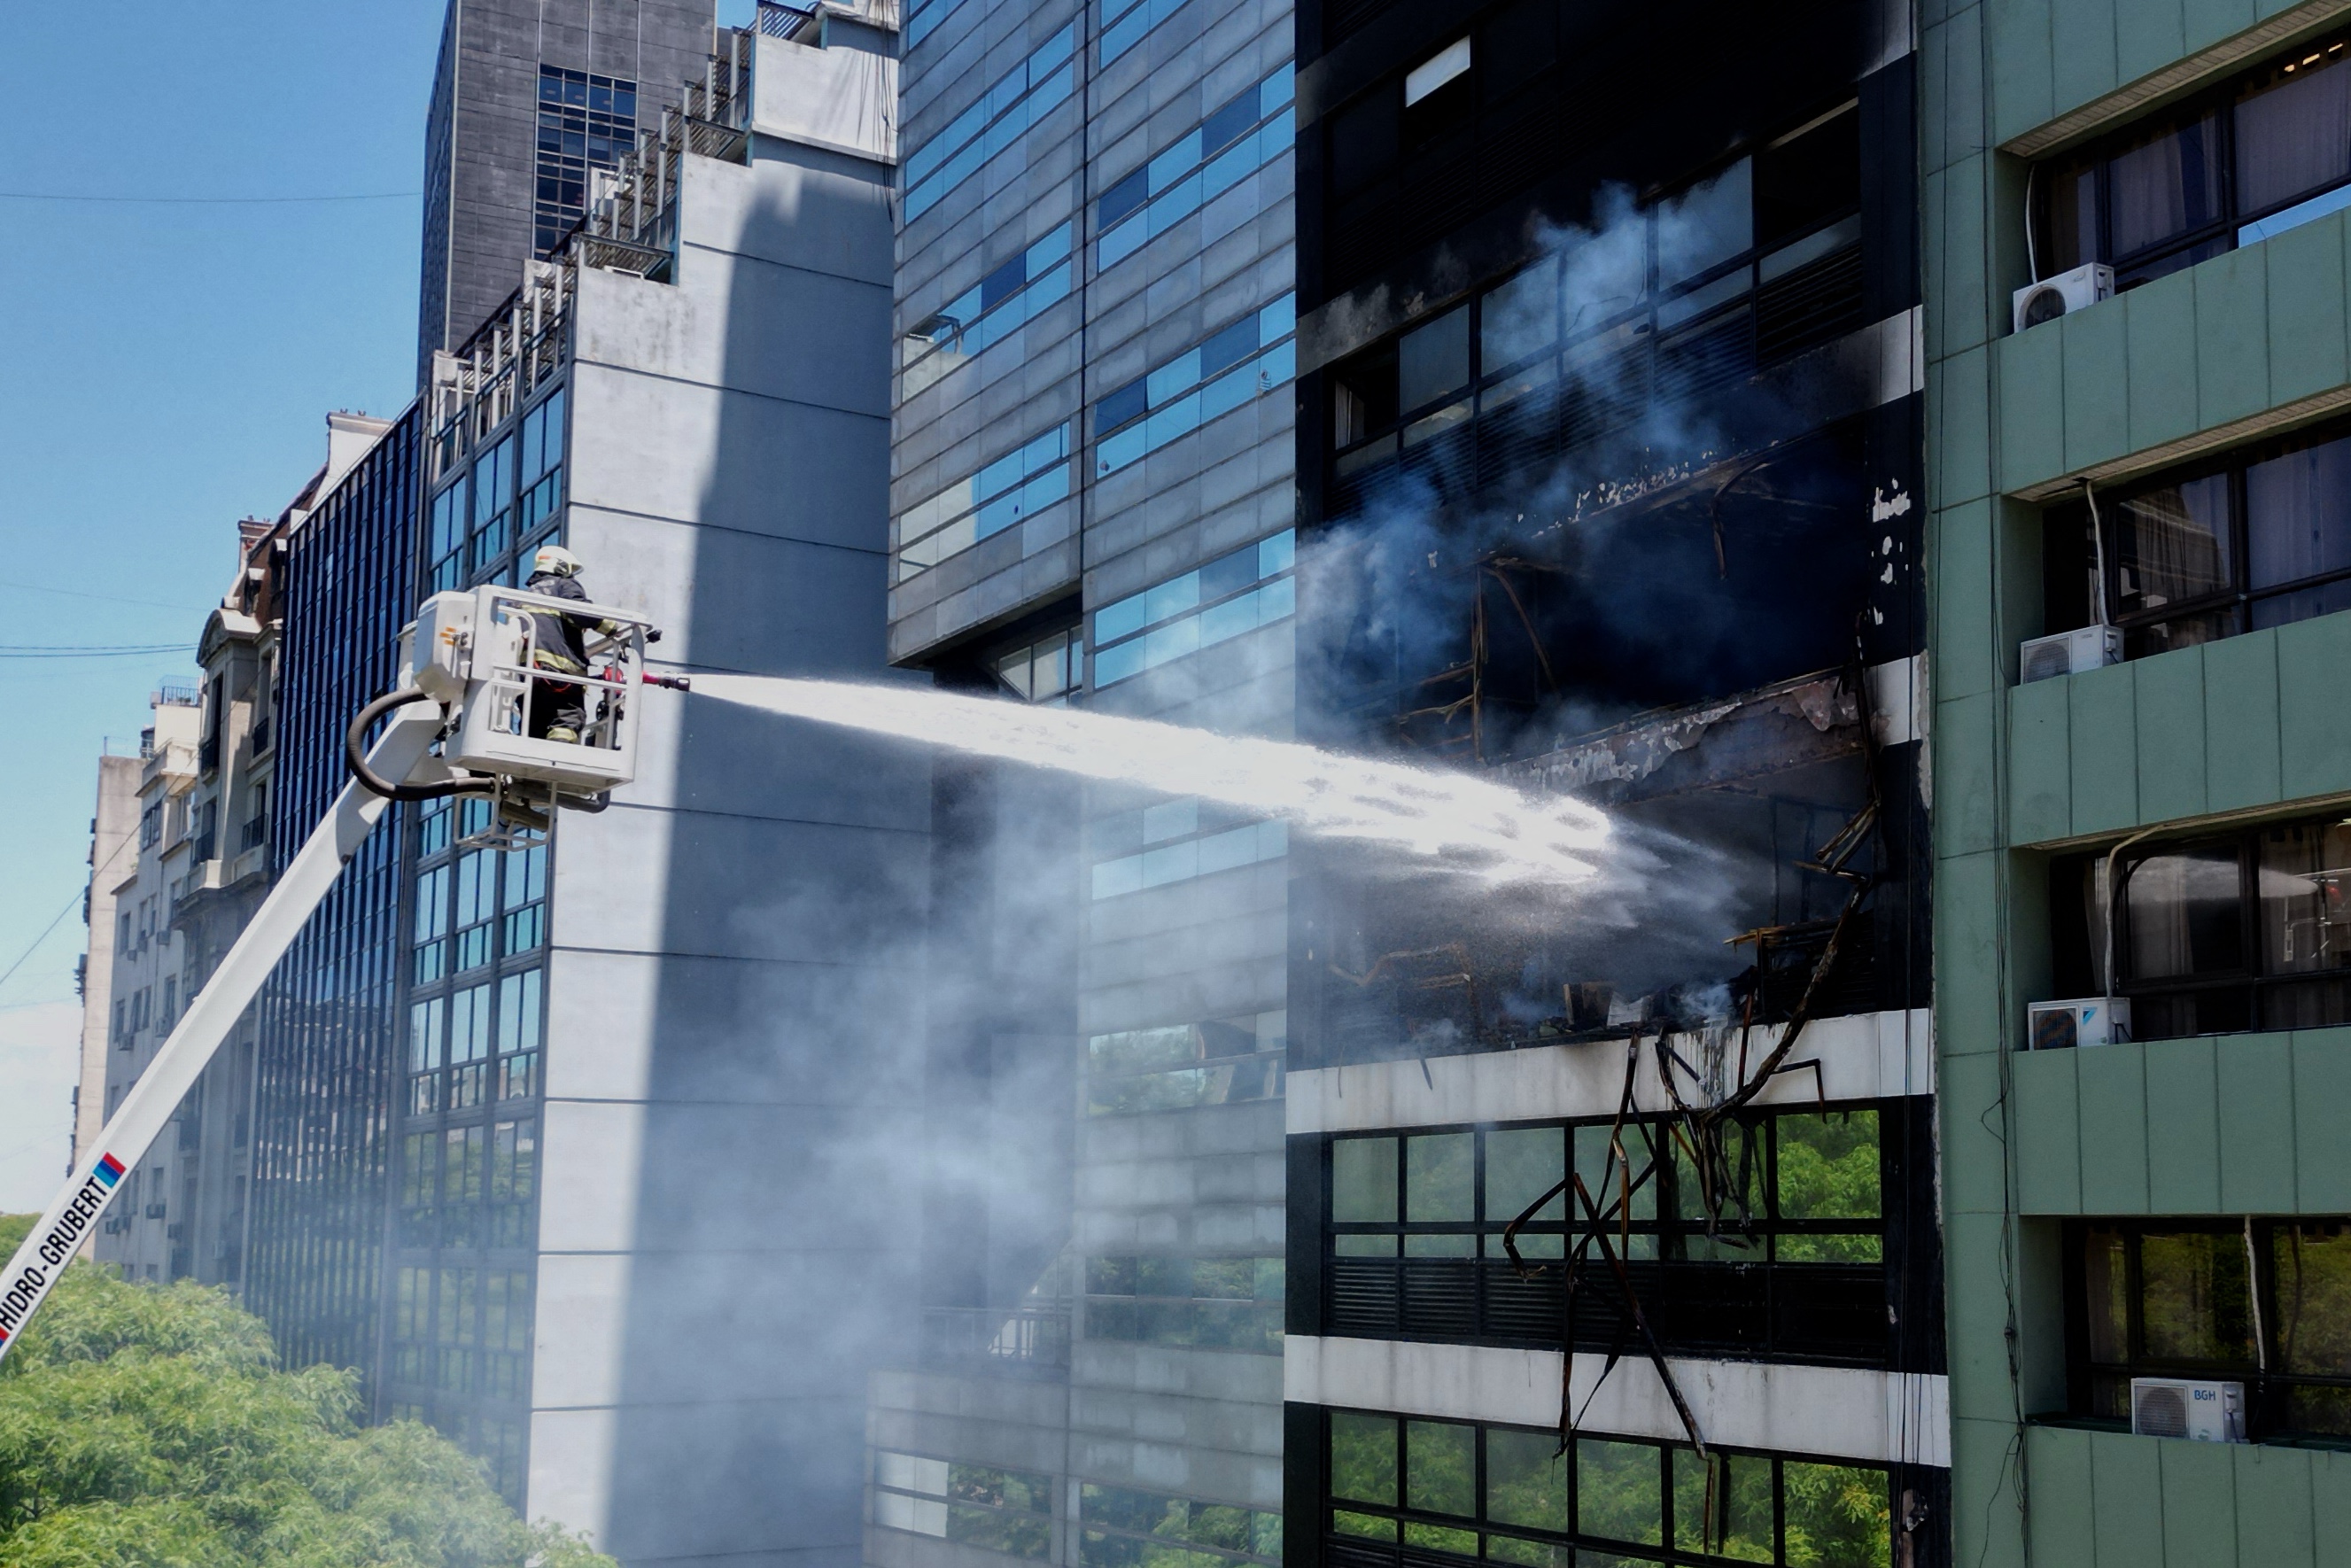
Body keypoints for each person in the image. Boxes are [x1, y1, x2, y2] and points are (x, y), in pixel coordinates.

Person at [520, 545, 618, 743]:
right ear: (561, 567)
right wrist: (611, 627)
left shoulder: (523, 597)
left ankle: (534, 765)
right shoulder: (563, 585)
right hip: (558, 672)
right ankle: (557, 752)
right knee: (569, 716)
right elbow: (578, 611)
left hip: (525, 675)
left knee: (535, 724)